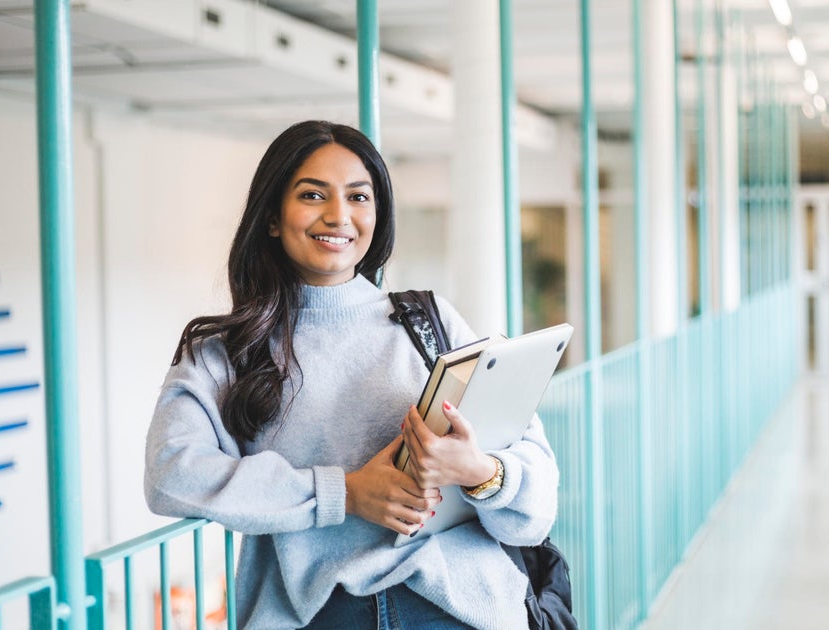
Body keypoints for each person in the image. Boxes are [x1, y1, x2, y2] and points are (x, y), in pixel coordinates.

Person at [144, 120, 560, 630]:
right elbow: (171, 474)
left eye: (359, 197)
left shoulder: (429, 324)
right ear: (272, 217)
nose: (339, 215)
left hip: (461, 607)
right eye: (313, 194)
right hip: (321, 614)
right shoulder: (225, 352)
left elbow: (538, 498)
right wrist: (344, 493)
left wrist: (479, 472)